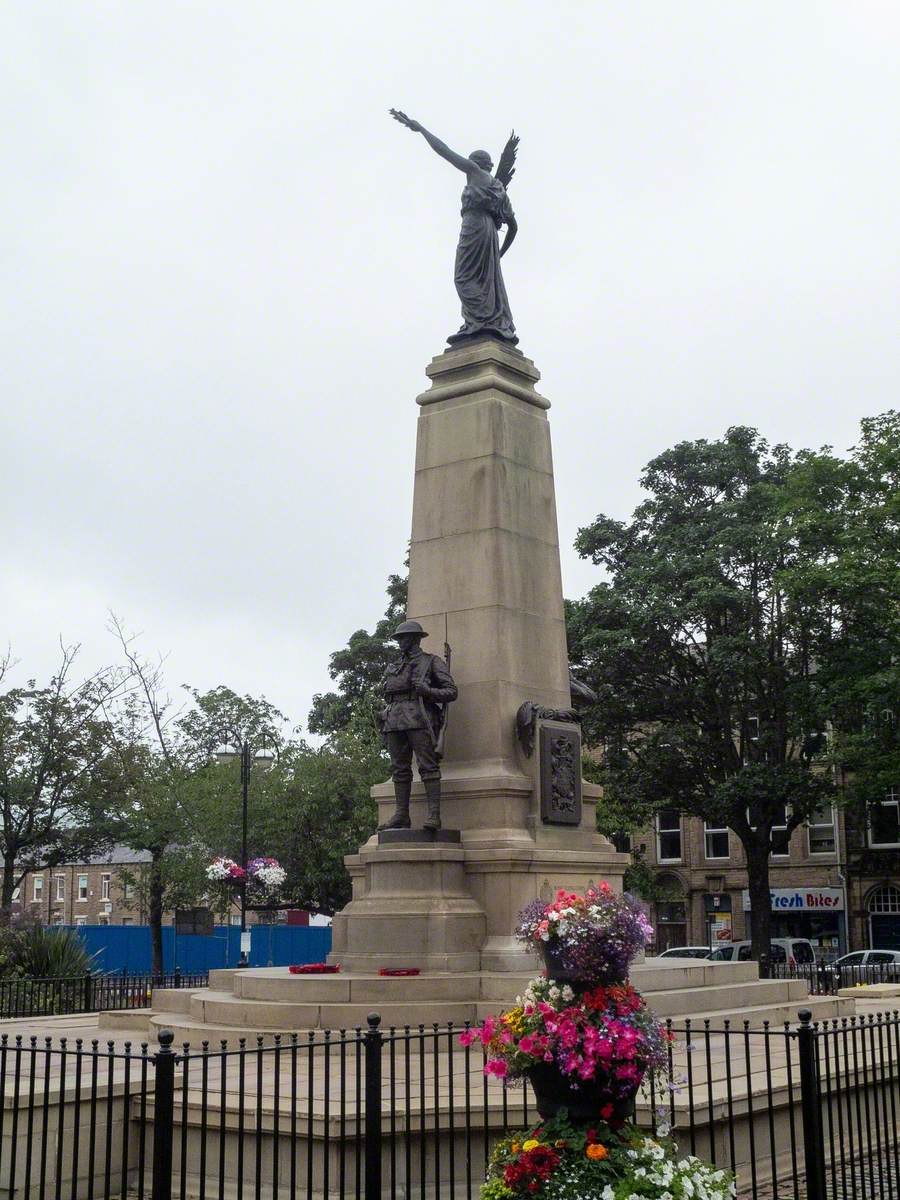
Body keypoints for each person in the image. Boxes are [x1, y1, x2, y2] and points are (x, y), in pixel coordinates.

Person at [390, 109, 519, 345]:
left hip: (474, 227)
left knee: (463, 277)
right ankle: (481, 322)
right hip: (490, 234)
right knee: (485, 280)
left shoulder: (475, 173)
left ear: (477, 164)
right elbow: (514, 227)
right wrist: (499, 253)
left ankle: (479, 322)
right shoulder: (499, 190)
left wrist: (421, 130)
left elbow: (445, 151)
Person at [377, 620, 458, 832]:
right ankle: (402, 815)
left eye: (403, 638)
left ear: (414, 639)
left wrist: (428, 691)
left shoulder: (431, 662)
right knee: (399, 769)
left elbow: (451, 692)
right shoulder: (394, 666)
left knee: (428, 766)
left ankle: (434, 815)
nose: (400, 642)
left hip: (419, 718)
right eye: (398, 639)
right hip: (394, 720)